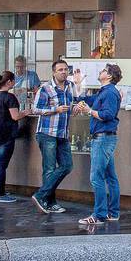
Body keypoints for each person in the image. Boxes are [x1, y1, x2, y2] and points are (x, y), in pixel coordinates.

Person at [75, 64, 122, 226]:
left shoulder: (109, 92)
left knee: (96, 177)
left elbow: (107, 115)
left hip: (102, 138)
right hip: (106, 138)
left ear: (109, 76)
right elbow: (85, 99)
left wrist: (89, 111)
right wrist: (78, 84)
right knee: (110, 176)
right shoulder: (105, 91)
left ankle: (99, 214)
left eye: (103, 70)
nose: (100, 72)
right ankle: (113, 212)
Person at [32, 58, 78, 214]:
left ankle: (41, 196)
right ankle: (49, 201)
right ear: (53, 72)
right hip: (47, 133)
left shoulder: (71, 86)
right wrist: (55, 110)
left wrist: (76, 108)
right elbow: (36, 109)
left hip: (63, 133)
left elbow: (74, 103)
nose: (64, 72)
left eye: (66, 69)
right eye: (60, 70)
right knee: (49, 169)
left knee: (67, 165)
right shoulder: (45, 88)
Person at [0, 72, 25, 203]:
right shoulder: (10, 97)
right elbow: (15, 116)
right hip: (6, 135)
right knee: (1, 166)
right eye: (13, 81)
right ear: (9, 82)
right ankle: (0, 194)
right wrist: (26, 112)